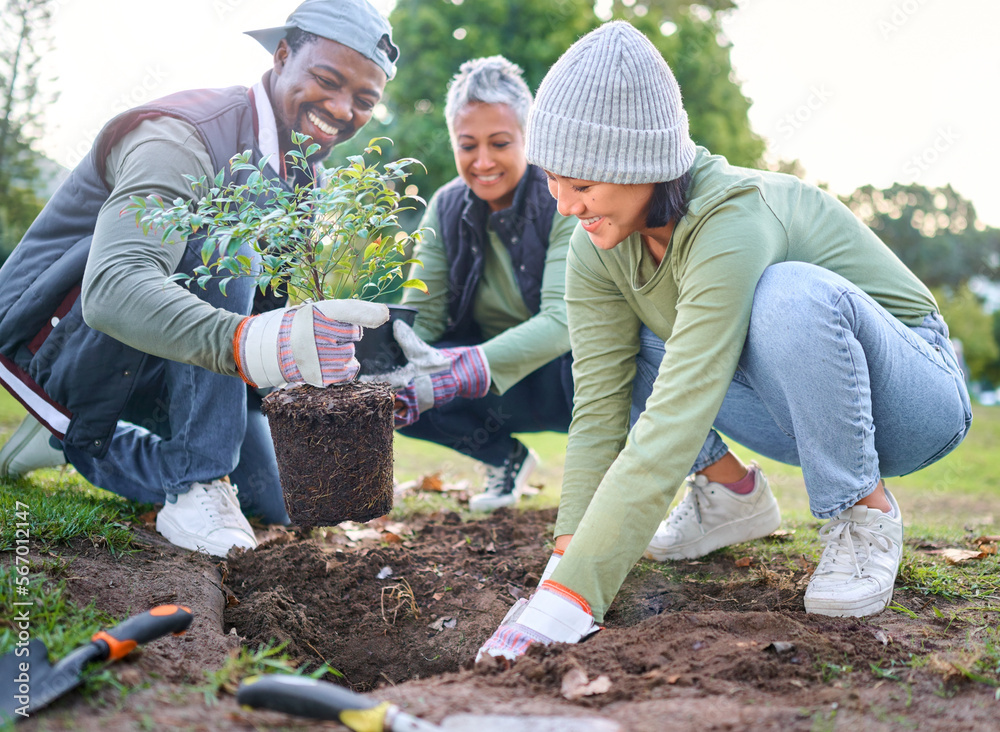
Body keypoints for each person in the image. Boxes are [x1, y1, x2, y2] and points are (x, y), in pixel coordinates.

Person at [477, 21, 972, 661]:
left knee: (786, 295)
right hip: (793, 411)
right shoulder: (596, 246)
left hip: (913, 399)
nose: (564, 205)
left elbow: (683, 403)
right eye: (552, 179)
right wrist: (564, 566)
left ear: (641, 165)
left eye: (582, 185)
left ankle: (863, 511)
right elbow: (599, 406)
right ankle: (730, 495)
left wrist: (575, 599)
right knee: (612, 356)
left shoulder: (734, 214)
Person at [0, 0, 400, 557]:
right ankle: (195, 482)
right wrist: (251, 343)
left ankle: (75, 440)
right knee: (227, 242)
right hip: (58, 336)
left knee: (278, 495)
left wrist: (340, 374)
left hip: (171, 357)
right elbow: (113, 289)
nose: (341, 108)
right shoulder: (183, 134)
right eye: (328, 80)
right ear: (283, 54)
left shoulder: (305, 176)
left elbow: (263, 307)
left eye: (364, 101)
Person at [380, 56, 577, 511]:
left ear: (529, 138)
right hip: (493, 388)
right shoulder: (446, 206)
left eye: (500, 143)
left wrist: (463, 369)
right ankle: (503, 457)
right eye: (468, 146)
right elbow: (421, 319)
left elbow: (564, 320)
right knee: (397, 381)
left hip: (567, 378)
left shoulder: (564, 196)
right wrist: (374, 368)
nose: (483, 161)